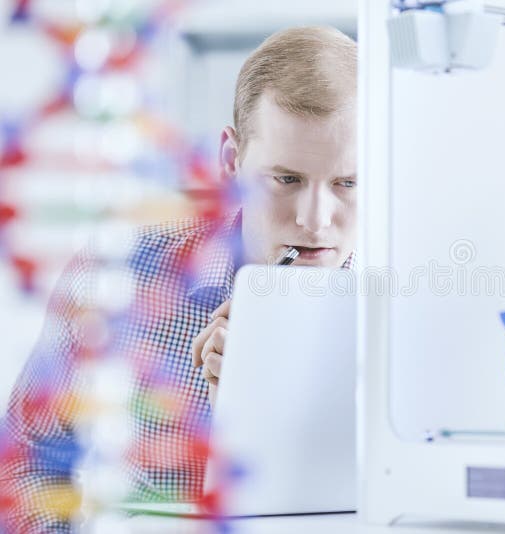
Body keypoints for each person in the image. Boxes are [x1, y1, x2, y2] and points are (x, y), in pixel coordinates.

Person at [0, 25, 357, 533]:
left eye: (349, 182)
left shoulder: (406, 307)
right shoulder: (114, 277)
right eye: (286, 179)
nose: (316, 220)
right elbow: (27, 465)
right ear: (231, 162)